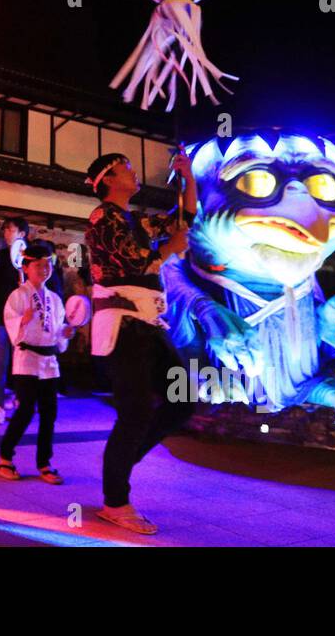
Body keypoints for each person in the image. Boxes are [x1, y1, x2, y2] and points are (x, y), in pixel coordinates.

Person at [85, 149, 196, 535]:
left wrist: (188, 175)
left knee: (183, 399)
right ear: (108, 180)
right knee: (134, 412)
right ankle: (115, 501)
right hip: (123, 321)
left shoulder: (134, 220)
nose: (133, 172)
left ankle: (124, 460)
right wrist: (169, 250)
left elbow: (182, 219)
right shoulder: (103, 218)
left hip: (148, 321)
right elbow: (134, 261)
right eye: (125, 168)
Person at [0, 244, 75, 484]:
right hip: (27, 361)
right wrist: (23, 320)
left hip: (49, 362)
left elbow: (57, 331)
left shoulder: (55, 299)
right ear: (26, 268)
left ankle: (44, 463)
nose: (44, 269)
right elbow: (11, 325)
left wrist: (65, 333)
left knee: (49, 413)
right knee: (26, 410)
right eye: (38, 265)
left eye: (47, 264)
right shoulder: (18, 295)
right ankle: (4, 458)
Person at [0, 216, 28, 424]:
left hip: (24, 318)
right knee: (0, 361)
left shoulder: (30, 259)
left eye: (10, 230)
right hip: (0, 315)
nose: (6, 233)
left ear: (22, 234)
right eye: (5, 230)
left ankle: (21, 399)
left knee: (22, 362)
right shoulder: (0, 255)